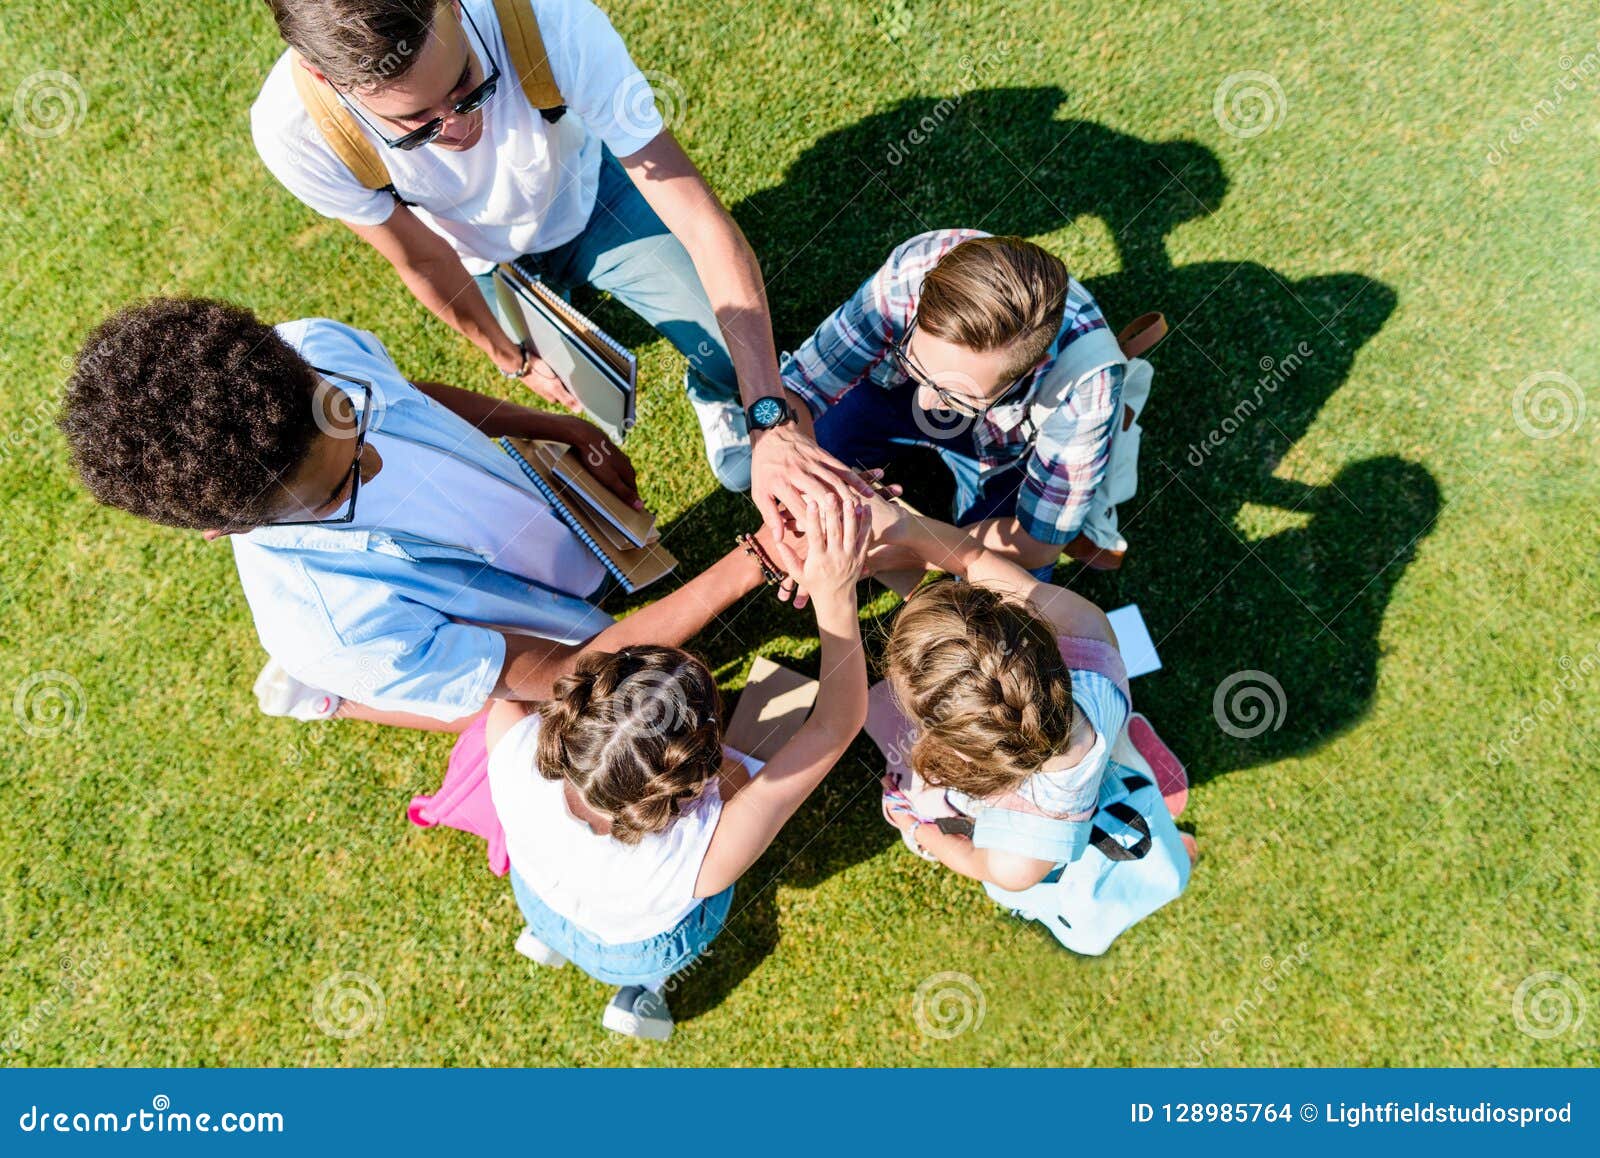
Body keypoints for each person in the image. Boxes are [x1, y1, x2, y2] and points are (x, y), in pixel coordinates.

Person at [251, 0, 866, 533]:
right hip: (482, 262)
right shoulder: (296, 133)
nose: (461, 127)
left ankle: (710, 387)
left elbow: (701, 222)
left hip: (592, 199)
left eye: (469, 86)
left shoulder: (547, 17)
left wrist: (769, 416)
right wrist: (512, 360)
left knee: (735, 354)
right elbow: (422, 256)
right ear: (327, 80)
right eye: (417, 126)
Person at [57, 297, 797, 729]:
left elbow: (412, 394)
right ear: (228, 530)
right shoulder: (338, 625)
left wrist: (554, 426)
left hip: (547, 548)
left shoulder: (314, 347)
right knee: (599, 713)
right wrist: (756, 559)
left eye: (349, 414)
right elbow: (569, 671)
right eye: (339, 490)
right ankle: (332, 698)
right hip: (520, 644)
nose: (373, 457)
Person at [485, 498, 869, 1040]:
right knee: (754, 756)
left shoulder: (510, 734)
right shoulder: (703, 856)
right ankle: (647, 986)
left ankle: (550, 940)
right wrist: (836, 592)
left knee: (745, 766)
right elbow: (833, 726)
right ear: (693, 773)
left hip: (539, 901)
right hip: (637, 950)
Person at [868, 500, 1196, 947]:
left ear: (962, 752)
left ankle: (1153, 815)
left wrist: (916, 828)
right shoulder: (1086, 632)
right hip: (1099, 741)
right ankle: (1167, 840)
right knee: (1138, 807)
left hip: (1056, 868)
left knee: (927, 801)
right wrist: (903, 525)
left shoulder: (1016, 861)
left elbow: (974, 858)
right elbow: (974, 559)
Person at [783, 229, 1127, 579]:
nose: (925, 403)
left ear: (1032, 368)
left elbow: (1038, 543)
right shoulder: (913, 274)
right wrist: (795, 471)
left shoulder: (1088, 383)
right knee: (796, 455)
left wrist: (898, 550)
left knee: (1007, 586)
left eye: (959, 395)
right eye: (914, 359)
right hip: (888, 389)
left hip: (1007, 450)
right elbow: (802, 386)